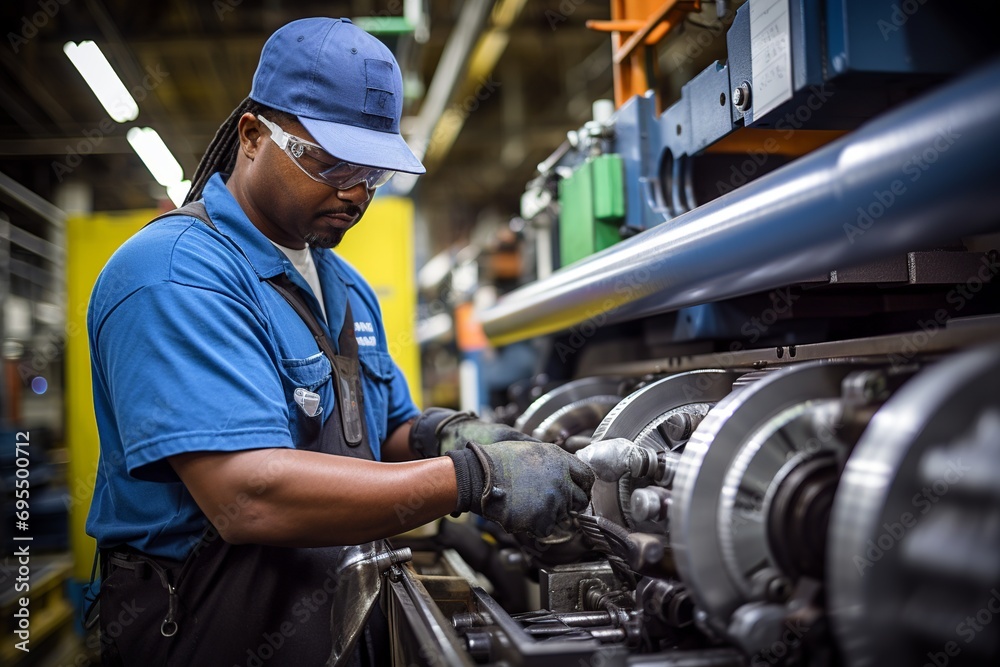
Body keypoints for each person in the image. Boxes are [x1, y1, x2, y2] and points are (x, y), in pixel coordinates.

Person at [85, 17, 594, 666]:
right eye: (330, 163)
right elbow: (248, 494)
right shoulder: (176, 273)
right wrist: (476, 477)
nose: (355, 193)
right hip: (211, 636)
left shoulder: (342, 283)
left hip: (336, 623)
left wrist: (449, 435)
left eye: (373, 174)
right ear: (251, 136)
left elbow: (377, 431)